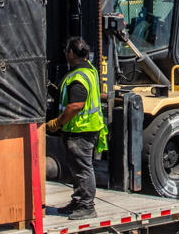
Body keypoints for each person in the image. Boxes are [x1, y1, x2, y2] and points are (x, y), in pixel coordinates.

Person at [46, 37, 108, 220]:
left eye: (67, 51)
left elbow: (76, 105)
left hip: (81, 130)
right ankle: (78, 201)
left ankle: (87, 206)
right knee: (78, 168)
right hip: (83, 129)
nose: (65, 54)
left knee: (82, 169)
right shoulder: (88, 70)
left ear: (72, 53)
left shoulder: (78, 76)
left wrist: (57, 122)